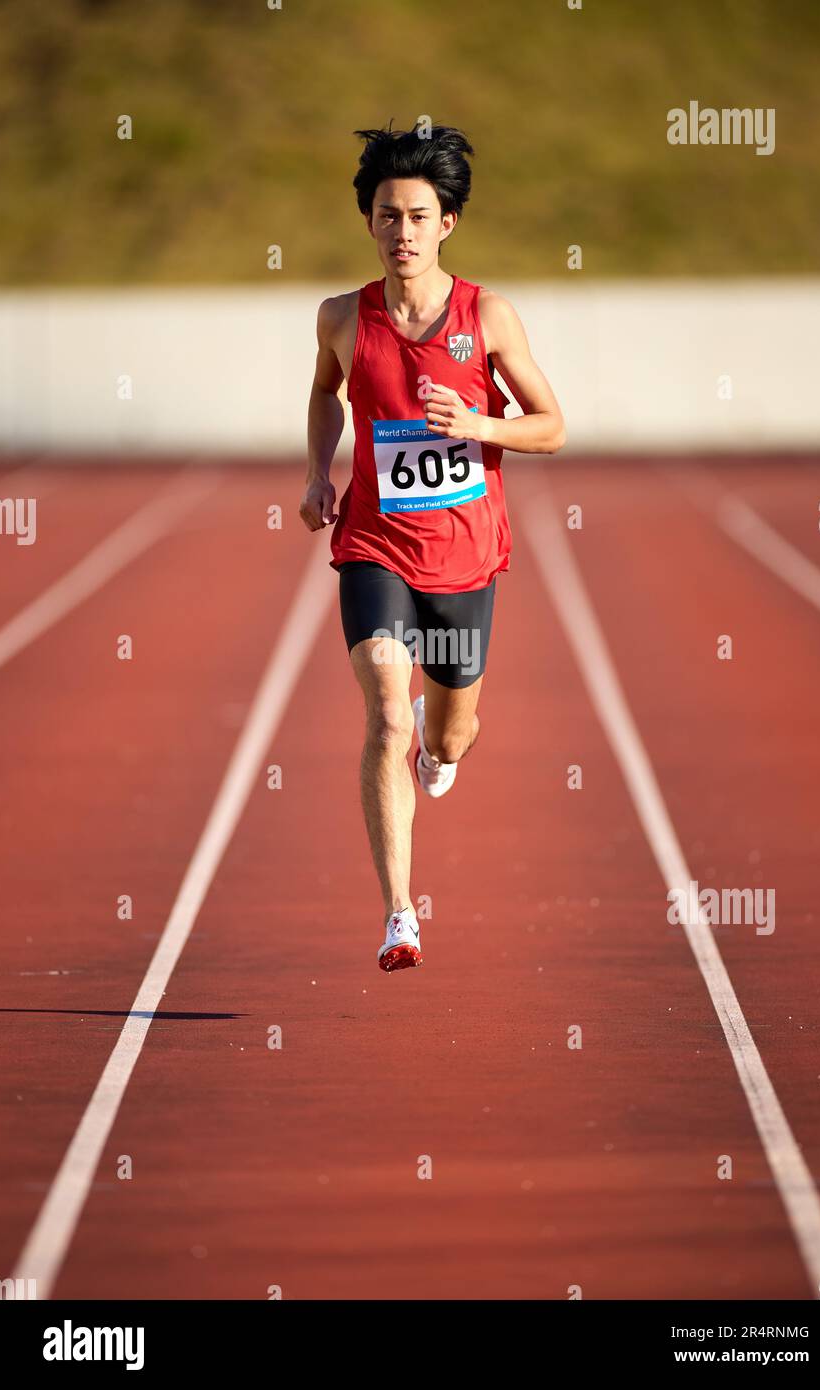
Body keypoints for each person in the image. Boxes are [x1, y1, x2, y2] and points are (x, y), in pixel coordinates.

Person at [299, 122, 565, 973]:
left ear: (446, 222)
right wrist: (316, 474)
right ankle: (399, 917)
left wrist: (480, 422)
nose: (401, 232)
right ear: (368, 221)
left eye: (417, 216)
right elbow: (324, 395)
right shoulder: (342, 317)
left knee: (447, 740)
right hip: (374, 546)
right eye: (387, 216)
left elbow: (552, 427)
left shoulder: (486, 315)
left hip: (464, 556)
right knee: (381, 714)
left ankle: (437, 738)